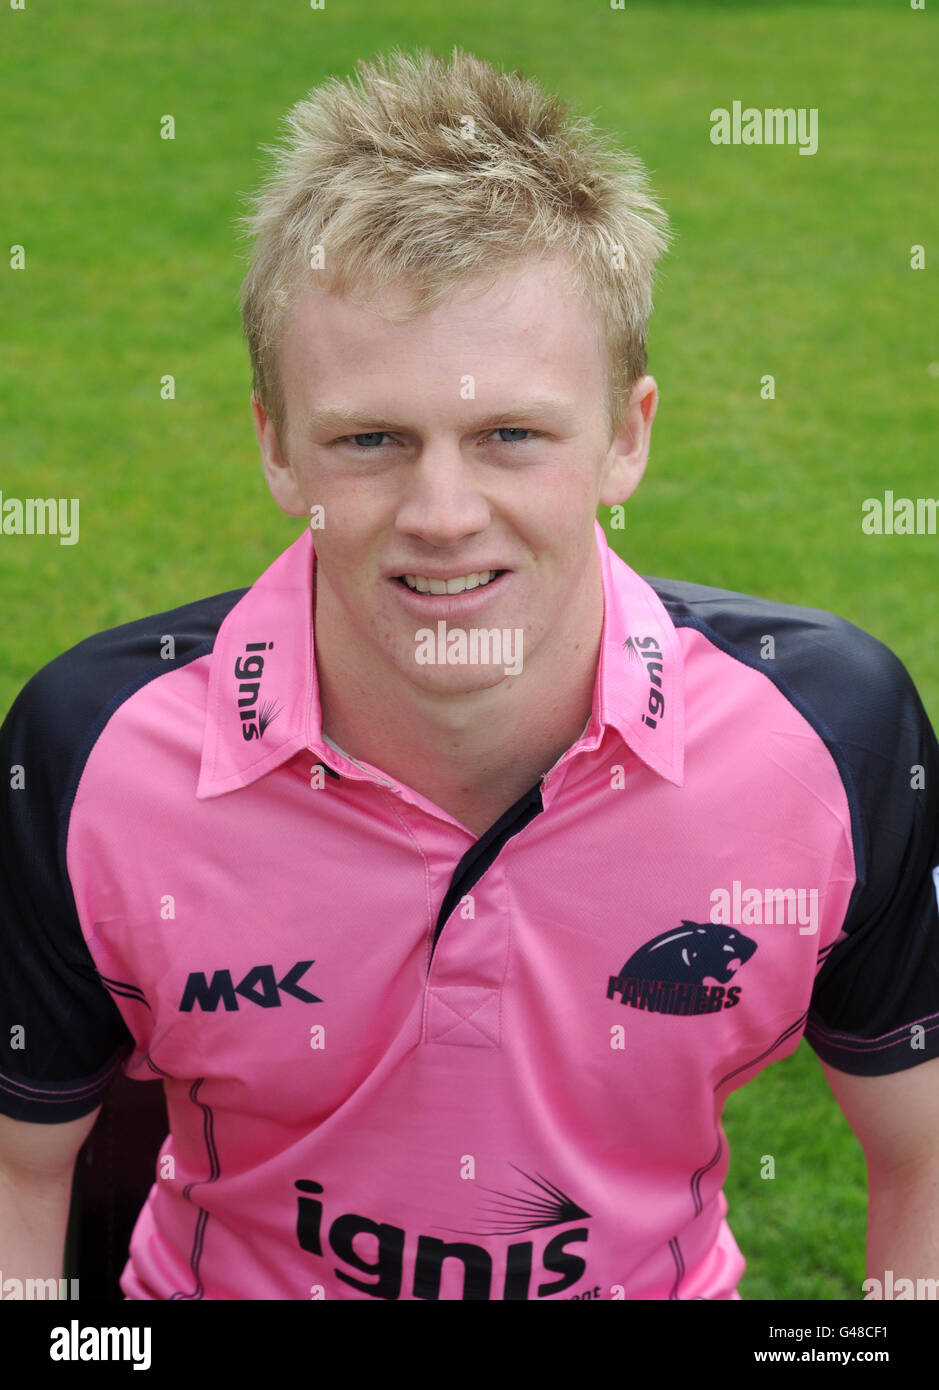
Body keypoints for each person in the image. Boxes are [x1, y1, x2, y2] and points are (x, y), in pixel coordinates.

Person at [1, 47, 937, 1303]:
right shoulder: (86, 750)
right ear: (279, 447)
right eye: (372, 438)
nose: (443, 513)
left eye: (510, 434)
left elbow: (922, 1157)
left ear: (626, 437)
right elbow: (19, 1177)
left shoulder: (838, 738)